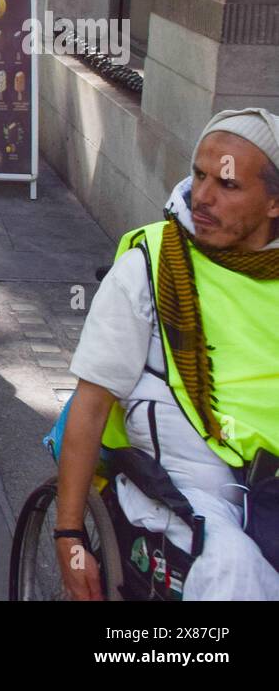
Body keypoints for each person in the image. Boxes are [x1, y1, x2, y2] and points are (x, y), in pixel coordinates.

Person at [57, 109, 279, 600]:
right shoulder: (151, 261)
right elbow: (91, 403)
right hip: (183, 481)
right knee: (235, 573)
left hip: (270, 483)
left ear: (274, 204)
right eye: (199, 175)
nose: (202, 196)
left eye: (228, 186)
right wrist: (69, 535)